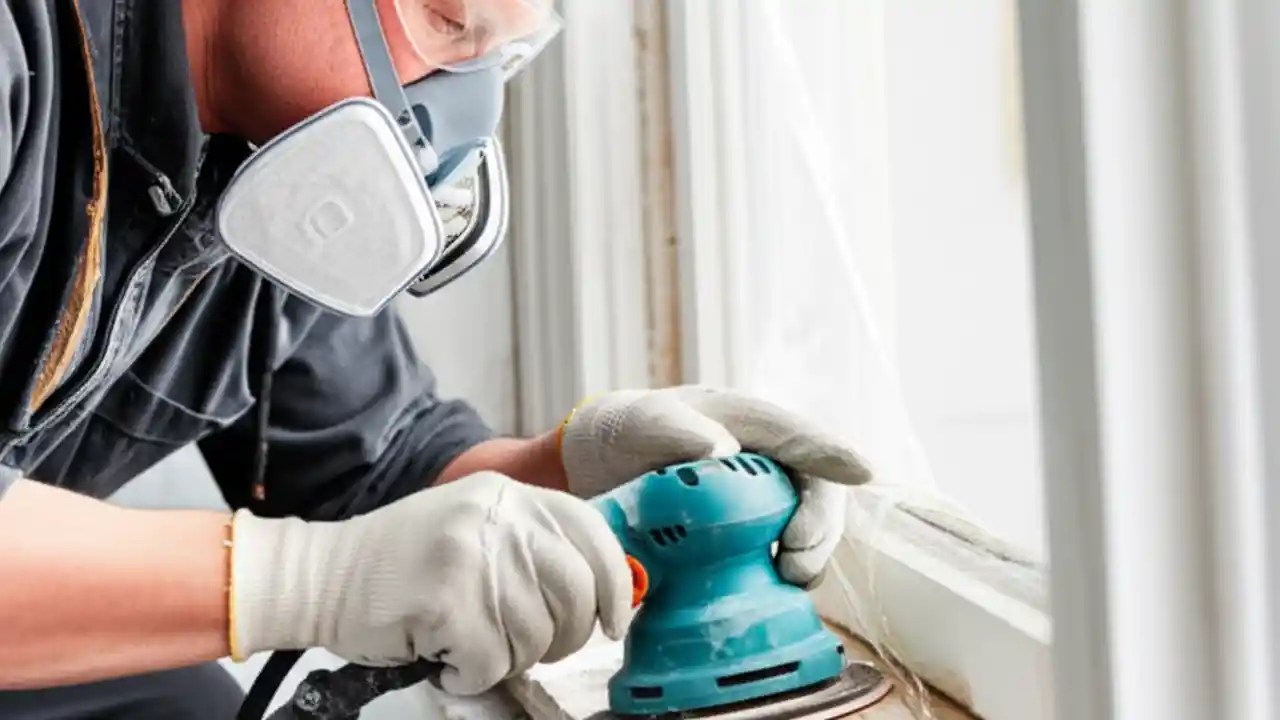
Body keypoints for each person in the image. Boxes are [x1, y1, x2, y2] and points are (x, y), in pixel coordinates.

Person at [0, 1, 873, 718]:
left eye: (503, 54)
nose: (460, 112)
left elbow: (377, 464)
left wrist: (585, 474)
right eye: (446, 19)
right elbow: (345, 561)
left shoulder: (275, 167)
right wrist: (312, 581)